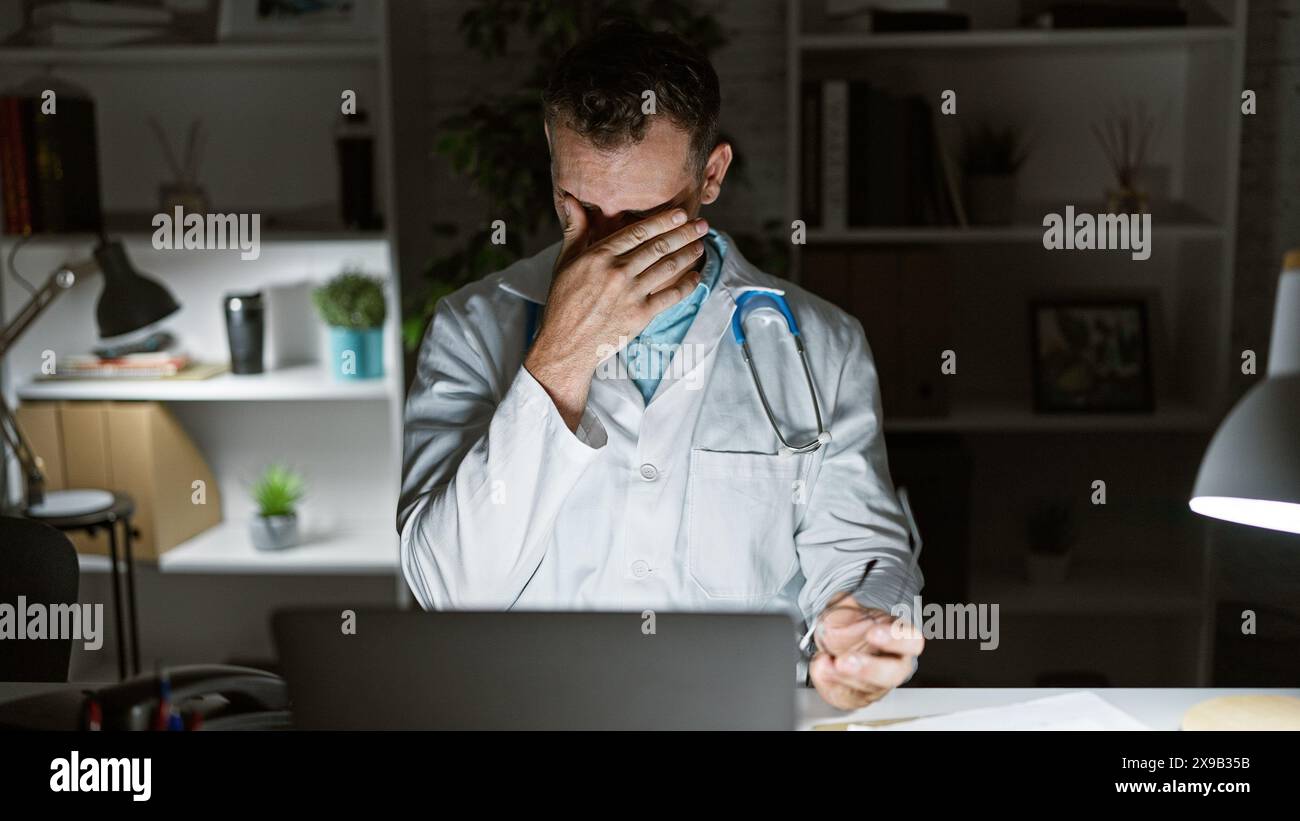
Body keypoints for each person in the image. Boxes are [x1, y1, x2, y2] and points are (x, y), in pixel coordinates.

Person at [398, 19, 924, 710]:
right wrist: (563, 350)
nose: (610, 253)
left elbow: (867, 560)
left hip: (738, 716)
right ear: (555, 170)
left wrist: (863, 622)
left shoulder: (821, 343)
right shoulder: (471, 326)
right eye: (581, 208)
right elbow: (446, 591)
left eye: (644, 218)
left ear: (710, 175)